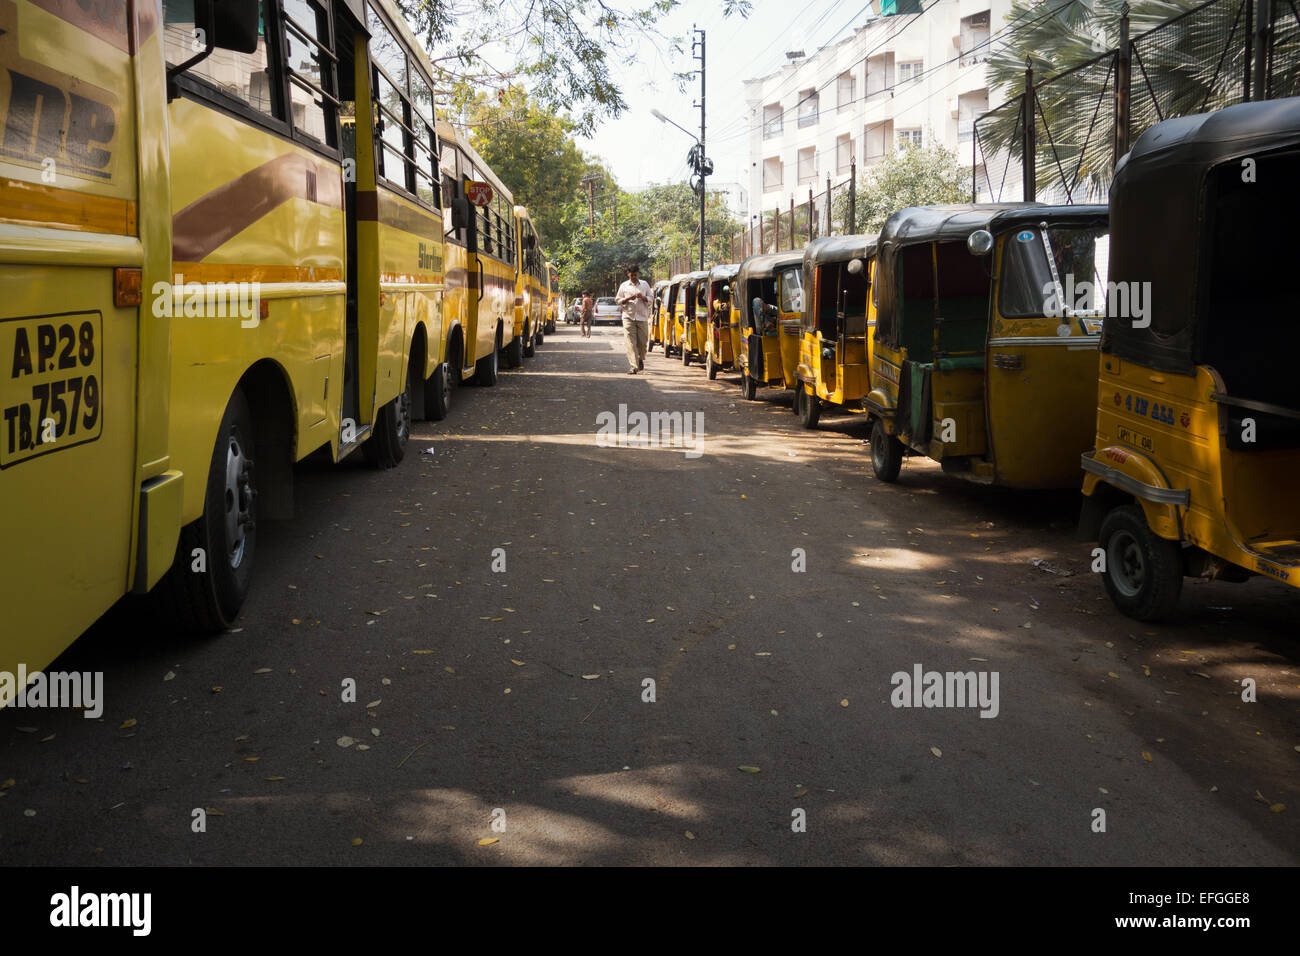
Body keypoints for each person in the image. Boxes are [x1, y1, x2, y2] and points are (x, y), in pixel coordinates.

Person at [615, 265, 652, 373]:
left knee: (643, 343)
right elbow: (618, 300)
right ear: (628, 274)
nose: (633, 277)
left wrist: (643, 297)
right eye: (631, 276)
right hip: (628, 317)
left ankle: (640, 358)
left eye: (635, 275)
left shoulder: (645, 285)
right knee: (630, 342)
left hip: (642, 317)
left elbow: (651, 298)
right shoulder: (624, 286)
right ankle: (633, 366)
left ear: (638, 274)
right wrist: (628, 298)